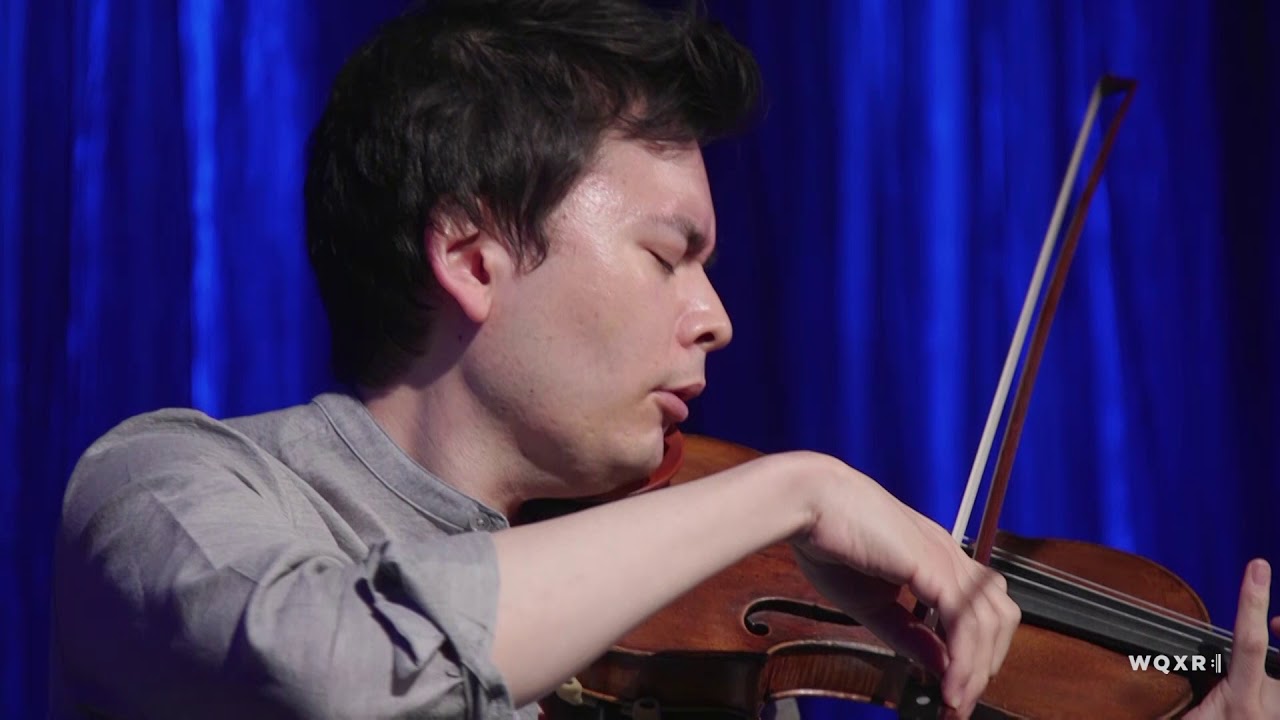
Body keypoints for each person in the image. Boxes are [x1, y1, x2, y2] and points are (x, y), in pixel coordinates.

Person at [49, 1, 1276, 718]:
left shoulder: (689, 658)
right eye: (666, 254)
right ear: (473, 257)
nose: (716, 316)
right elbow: (345, 681)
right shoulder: (172, 489)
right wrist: (792, 488)